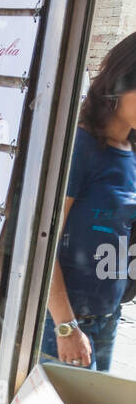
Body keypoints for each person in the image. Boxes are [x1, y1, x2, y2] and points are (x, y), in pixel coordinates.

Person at [39, 32, 136, 372]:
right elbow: (42, 242)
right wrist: (65, 326)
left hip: (109, 317)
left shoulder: (130, 151)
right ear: (120, 82)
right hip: (64, 324)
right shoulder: (80, 147)